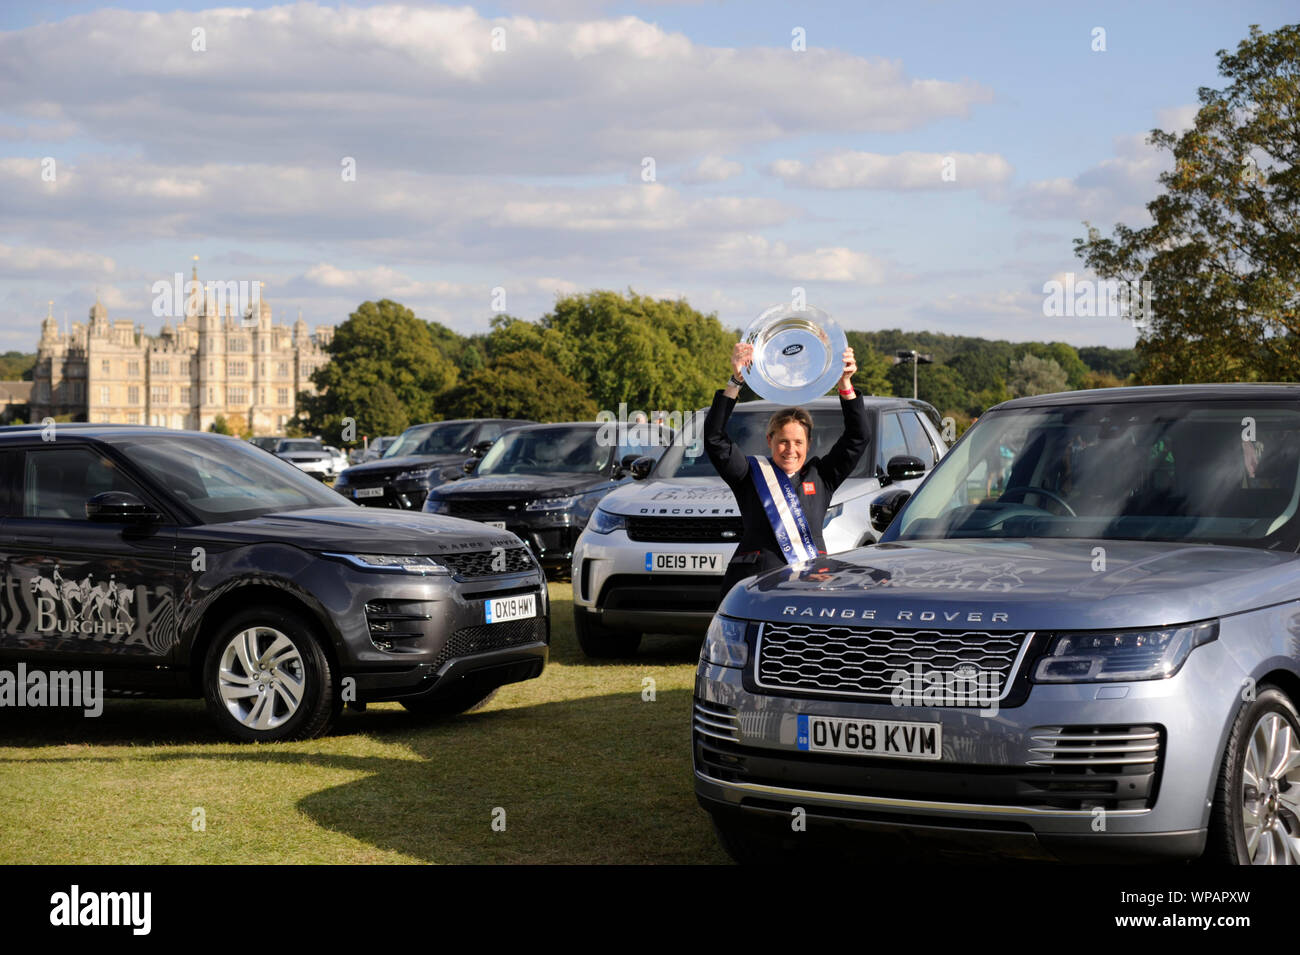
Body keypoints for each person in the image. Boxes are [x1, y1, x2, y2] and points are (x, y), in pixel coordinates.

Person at [705, 340, 869, 596]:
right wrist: (735, 383)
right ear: (770, 440)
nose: (790, 449)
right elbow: (714, 439)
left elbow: (858, 437)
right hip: (756, 584)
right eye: (783, 441)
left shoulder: (821, 476)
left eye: (798, 442)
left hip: (811, 582)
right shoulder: (750, 473)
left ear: (809, 444)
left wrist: (845, 384)